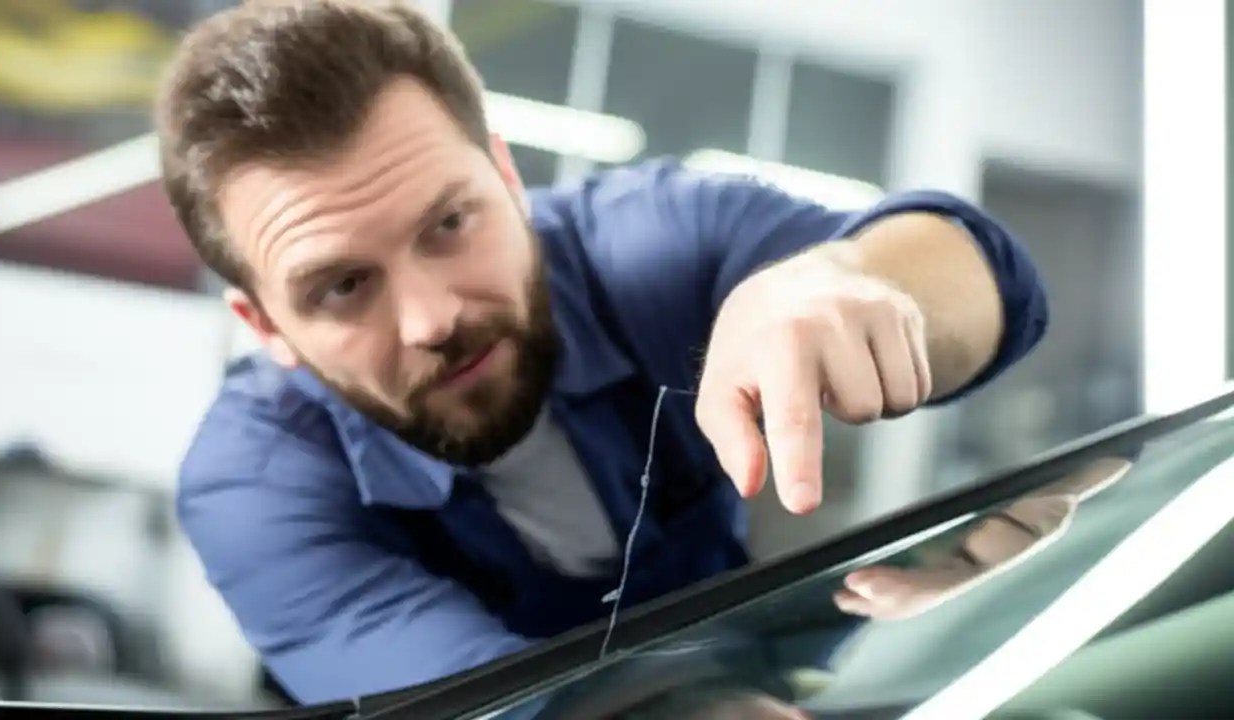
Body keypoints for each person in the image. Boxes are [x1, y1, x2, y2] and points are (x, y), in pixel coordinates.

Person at [156, 0, 1048, 705]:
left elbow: (991, 284)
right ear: (264, 324)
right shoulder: (254, 487)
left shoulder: (651, 251)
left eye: (450, 223)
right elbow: (514, 709)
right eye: (343, 286)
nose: (432, 319)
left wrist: (855, 276)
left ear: (507, 176)